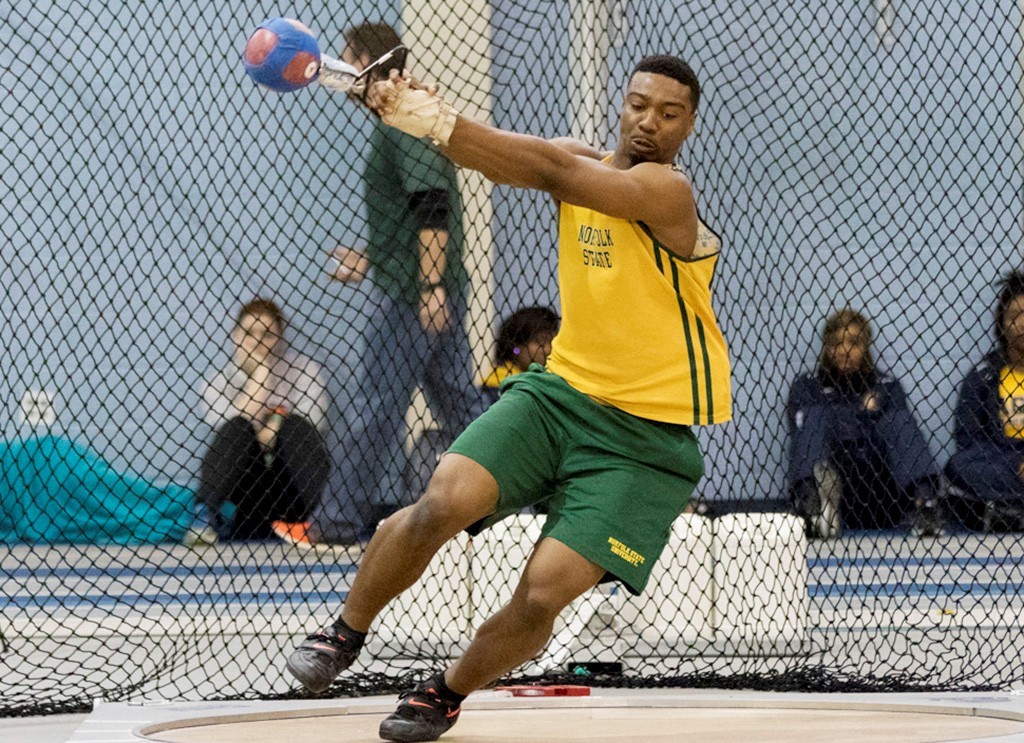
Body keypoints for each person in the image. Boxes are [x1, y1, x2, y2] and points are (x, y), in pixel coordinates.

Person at [284, 54, 732, 742]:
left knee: (545, 592)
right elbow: (507, 161)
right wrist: (418, 116)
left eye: (669, 114)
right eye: (639, 105)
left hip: (644, 442)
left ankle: (445, 690)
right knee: (443, 498)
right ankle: (345, 630)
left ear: (690, 126)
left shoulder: (668, 193)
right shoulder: (578, 161)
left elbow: (553, 173)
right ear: (623, 104)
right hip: (559, 397)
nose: (650, 123)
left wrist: (428, 117)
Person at [273, 22, 485, 548]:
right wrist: (371, 259)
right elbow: (413, 218)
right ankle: (523, 504)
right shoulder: (397, 116)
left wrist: (431, 289)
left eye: (345, 58)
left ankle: (335, 521)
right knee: (463, 405)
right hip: (421, 285)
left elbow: (432, 205)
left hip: (416, 296)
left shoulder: (402, 118)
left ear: (364, 61)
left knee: (375, 408)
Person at [786, 309, 943, 539]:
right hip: (833, 479)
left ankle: (925, 507)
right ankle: (814, 510)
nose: (844, 351)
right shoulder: (807, 387)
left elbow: (900, 440)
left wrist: (844, 420)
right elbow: (804, 436)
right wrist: (864, 413)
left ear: (866, 346)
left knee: (898, 420)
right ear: (826, 347)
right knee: (816, 417)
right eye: (835, 343)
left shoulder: (887, 387)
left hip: (879, 490)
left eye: (853, 343)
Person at [194, 298, 330, 542]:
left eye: (267, 334)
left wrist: (265, 430)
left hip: (290, 493)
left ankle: (310, 522)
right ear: (235, 337)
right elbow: (231, 430)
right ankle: (206, 519)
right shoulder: (218, 382)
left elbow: (314, 423)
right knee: (237, 427)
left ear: (280, 338)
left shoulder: (304, 371)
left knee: (297, 427)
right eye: (249, 333)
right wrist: (261, 375)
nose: (257, 341)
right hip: (246, 495)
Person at [946, 270, 1024, 531]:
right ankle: (1009, 509)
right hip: (1001, 460)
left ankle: (1005, 509)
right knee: (957, 467)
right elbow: (967, 440)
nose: (1023, 324)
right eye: (1015, 316)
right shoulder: (983, 374)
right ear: (1001, 323)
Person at [480, 305, 560, 405]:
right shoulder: (496, 388)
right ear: (515, 346)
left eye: (554, 341)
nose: (549, 349)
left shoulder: (548, 382)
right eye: (541, 341)